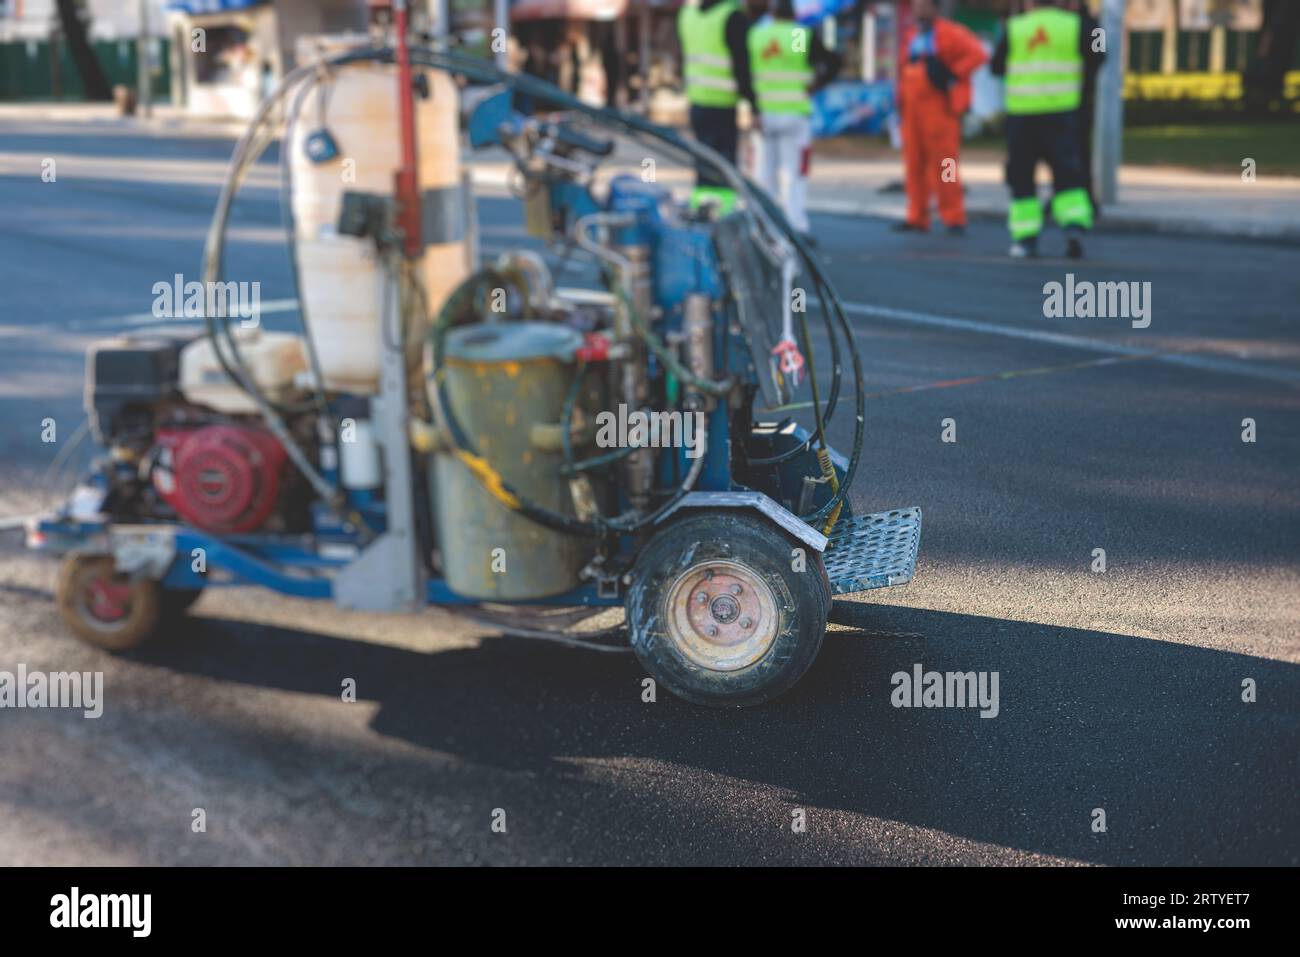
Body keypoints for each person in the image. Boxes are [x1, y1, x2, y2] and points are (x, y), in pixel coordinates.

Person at [990, 0, 1104, 258]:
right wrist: (1094, 22)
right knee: (1067, 173)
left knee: (1021, 178)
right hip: (1063, 113)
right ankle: (1074, 226)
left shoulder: (1016, 27)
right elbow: (1100, 53)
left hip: (1022, 116)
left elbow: (996, 65)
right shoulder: (1079, 25)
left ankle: (1025, 238)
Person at [747, 0, 841, 237]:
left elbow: (745, 71)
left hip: (765, 114)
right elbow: (828, 62)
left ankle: (764, 227)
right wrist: (816, 83)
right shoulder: (798, 35)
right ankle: (796, 226)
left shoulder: (757, 35)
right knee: (795, 174)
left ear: (772, 12)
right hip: (795, 113)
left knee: (763, 174)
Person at [893, 0, 988, 235]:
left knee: (946, 165)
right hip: (912, 112)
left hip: (940, 110)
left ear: (934, 9)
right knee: (914, 165)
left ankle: (953, 216)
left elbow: (978, 54)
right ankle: (917, 216)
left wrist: (953, 73)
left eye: (924, 6)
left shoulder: (951, 33)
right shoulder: (912, 35)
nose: (919, 11)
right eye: (916, 6)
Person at [678, 0, 755, 212]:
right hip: (724, 104)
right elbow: (742, 64)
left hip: (698, 102)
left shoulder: (688, 15)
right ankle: (722, 214)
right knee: (724, 165)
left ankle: (701, 212)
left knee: (704, 162)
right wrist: (753, 104)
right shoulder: (732, 16)